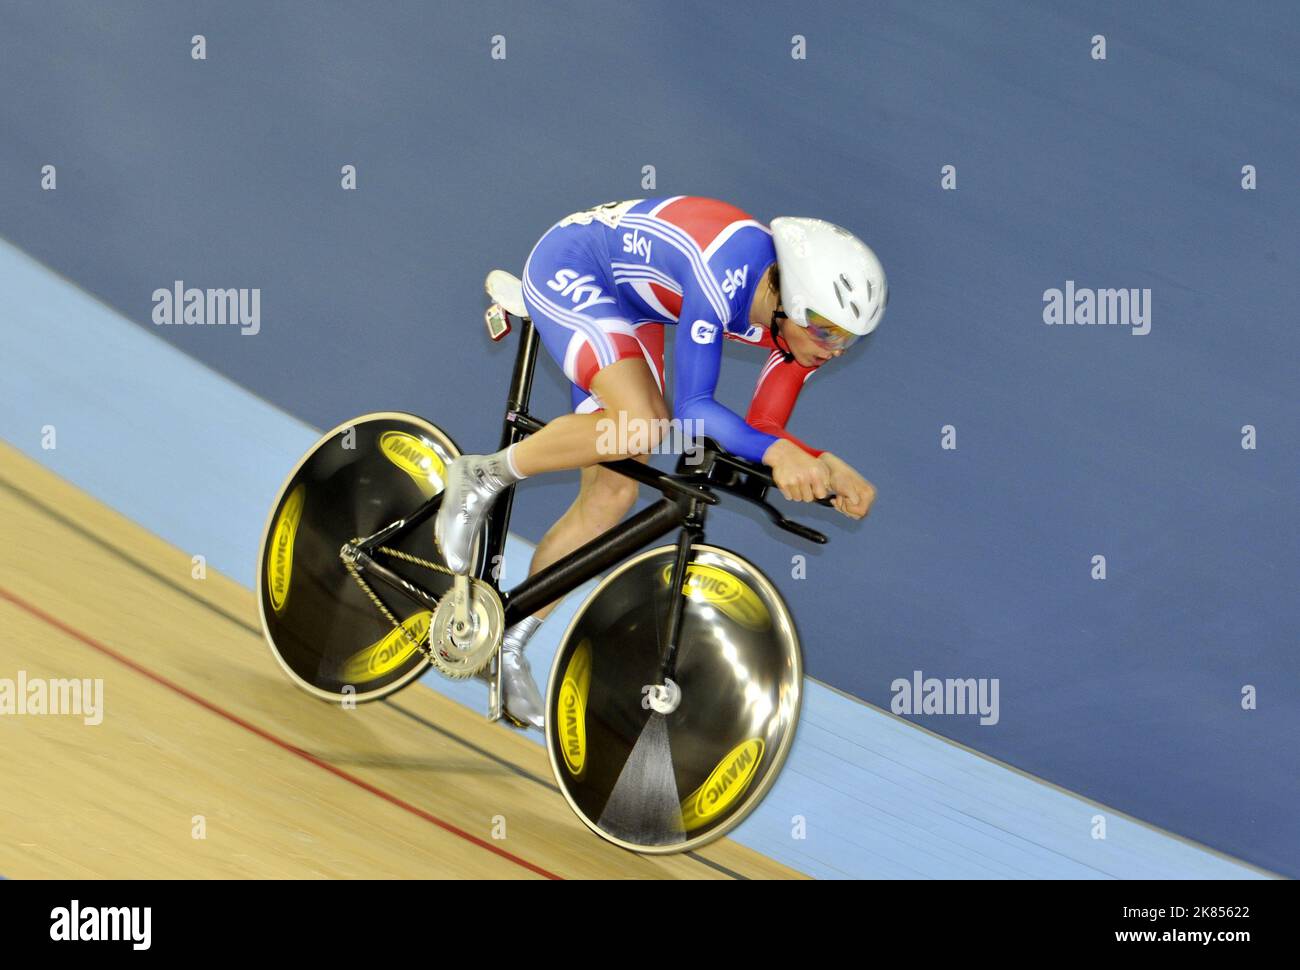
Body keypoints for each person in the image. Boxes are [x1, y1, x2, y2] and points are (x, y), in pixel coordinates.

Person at [436, 197, 886, 728]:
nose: (834, 350)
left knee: (613, 494)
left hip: (636, 307)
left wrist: (823, 464)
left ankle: (508, 642)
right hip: (574, 265)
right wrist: (782, 454)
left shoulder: (801, 337)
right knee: (642, 423)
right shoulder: (726, 271)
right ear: (791, 300)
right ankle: (481, 474)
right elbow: (696, 412)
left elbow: (762, 432)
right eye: (829, 331)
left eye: (849, 340)